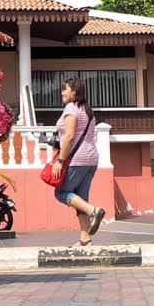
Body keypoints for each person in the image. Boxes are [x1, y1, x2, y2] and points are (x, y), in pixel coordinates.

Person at [51, 77, 104, 246]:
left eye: (65, 89)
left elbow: (69, 135)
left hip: (77, 159)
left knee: (61, 193)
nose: (62, 92)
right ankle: (85, 238)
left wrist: (60, 160)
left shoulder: (71, 108)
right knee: (80, 198)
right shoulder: (87, 110)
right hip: (91, 159)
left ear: (74, 92)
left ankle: (93, 211)